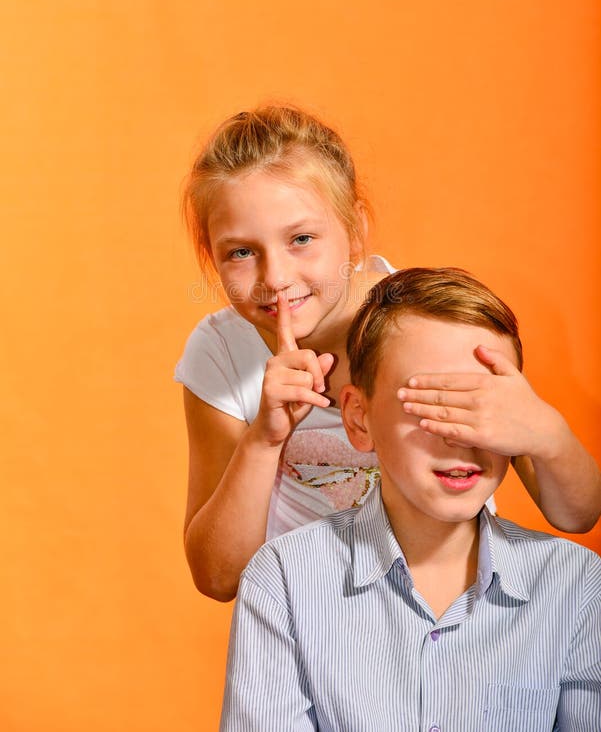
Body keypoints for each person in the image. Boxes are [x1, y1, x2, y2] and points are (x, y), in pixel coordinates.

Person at [175, 105, 601, 601]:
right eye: (241, 252)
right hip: (315, 629)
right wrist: (264, 442)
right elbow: (218, 577)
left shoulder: (428, 325)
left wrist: (543, 432)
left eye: (302, 239)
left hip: (455, 612)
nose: (275, 278)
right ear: (212, 255)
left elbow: (578, 513)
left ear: (354, 231)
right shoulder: (222, 352)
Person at [220, 268, 601, 731]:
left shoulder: (576, 586)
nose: (459, 438)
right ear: (359, 421)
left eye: (484, 409)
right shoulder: (283, 581)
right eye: (427, 408)